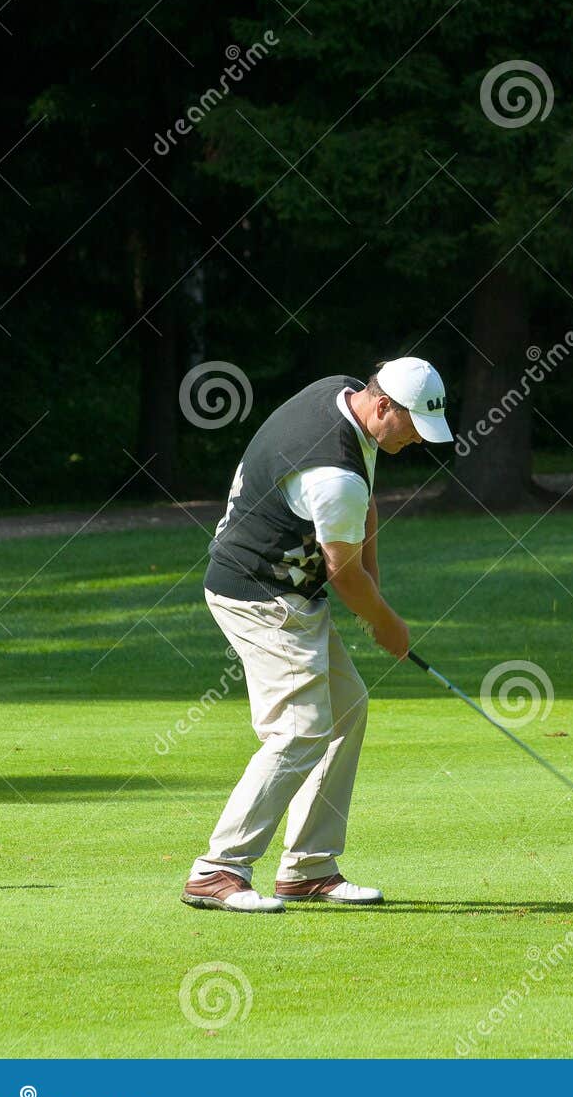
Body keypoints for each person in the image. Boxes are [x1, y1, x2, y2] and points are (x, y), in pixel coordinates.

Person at [181, 357, 452, 913]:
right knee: (300, 729)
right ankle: (218, 869)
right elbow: (343, 574)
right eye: (413, 428)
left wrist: (376, 592)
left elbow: (366, 514)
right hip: (257, 592)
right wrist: (386, 622)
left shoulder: (340, 395)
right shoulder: (334, 475)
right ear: (383, 406)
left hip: (289, 588)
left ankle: (308, 867)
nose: (418, 442)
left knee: (346, 706)